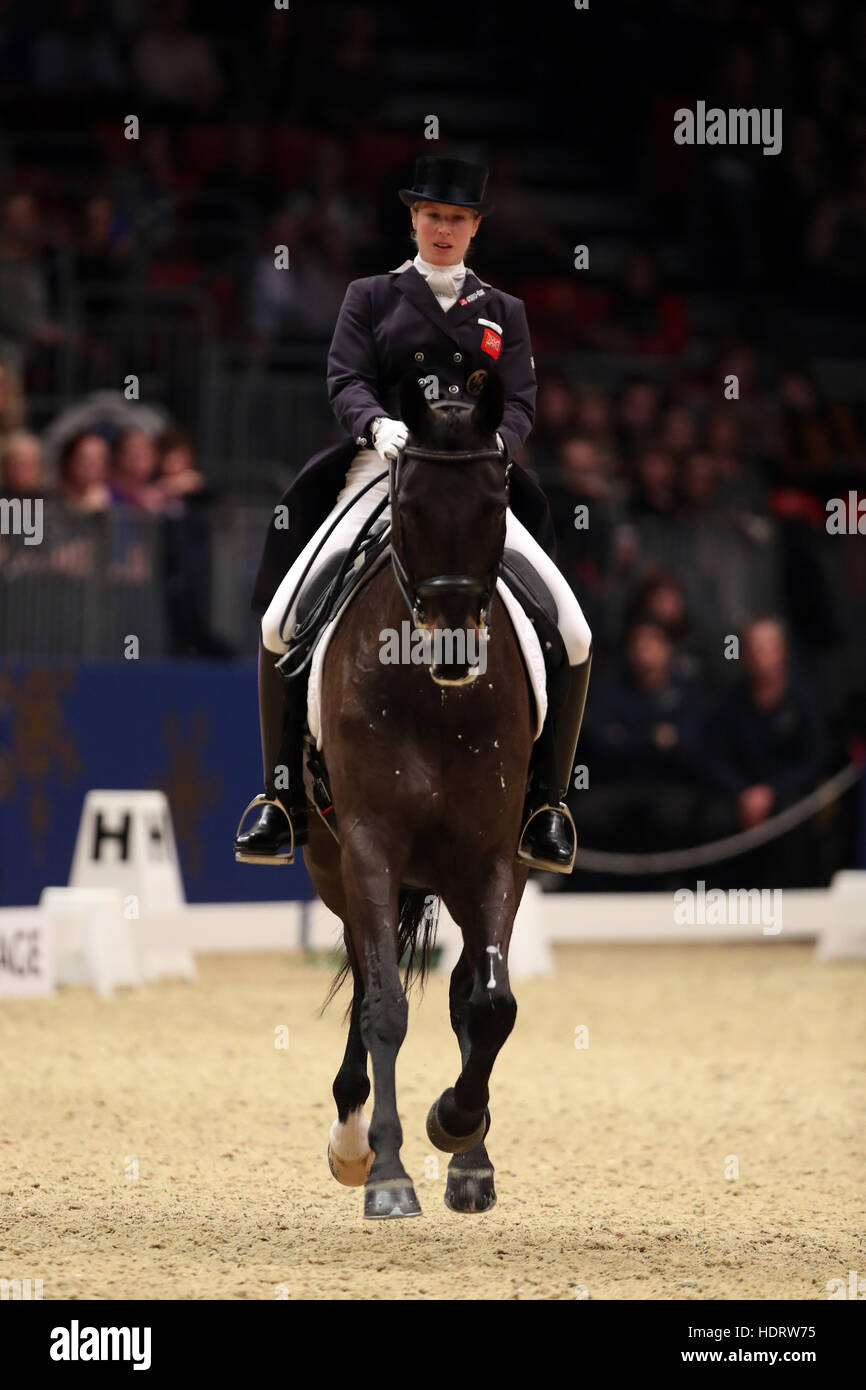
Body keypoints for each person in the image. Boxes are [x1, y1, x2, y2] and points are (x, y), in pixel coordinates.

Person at [236, 156, 593, 872]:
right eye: (432, 216)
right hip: (386, 467)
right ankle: (281, 798)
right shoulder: (371, 296)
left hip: (470, 477)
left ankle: (548, 804)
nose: (443, 229)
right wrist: (376, 428)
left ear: (475, 228)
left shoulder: (504, 311)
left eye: (457, 219)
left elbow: (520, 400)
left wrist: (495, 445)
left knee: (575, 630)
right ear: (413, 220)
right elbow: (345, 378)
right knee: (281, 619)